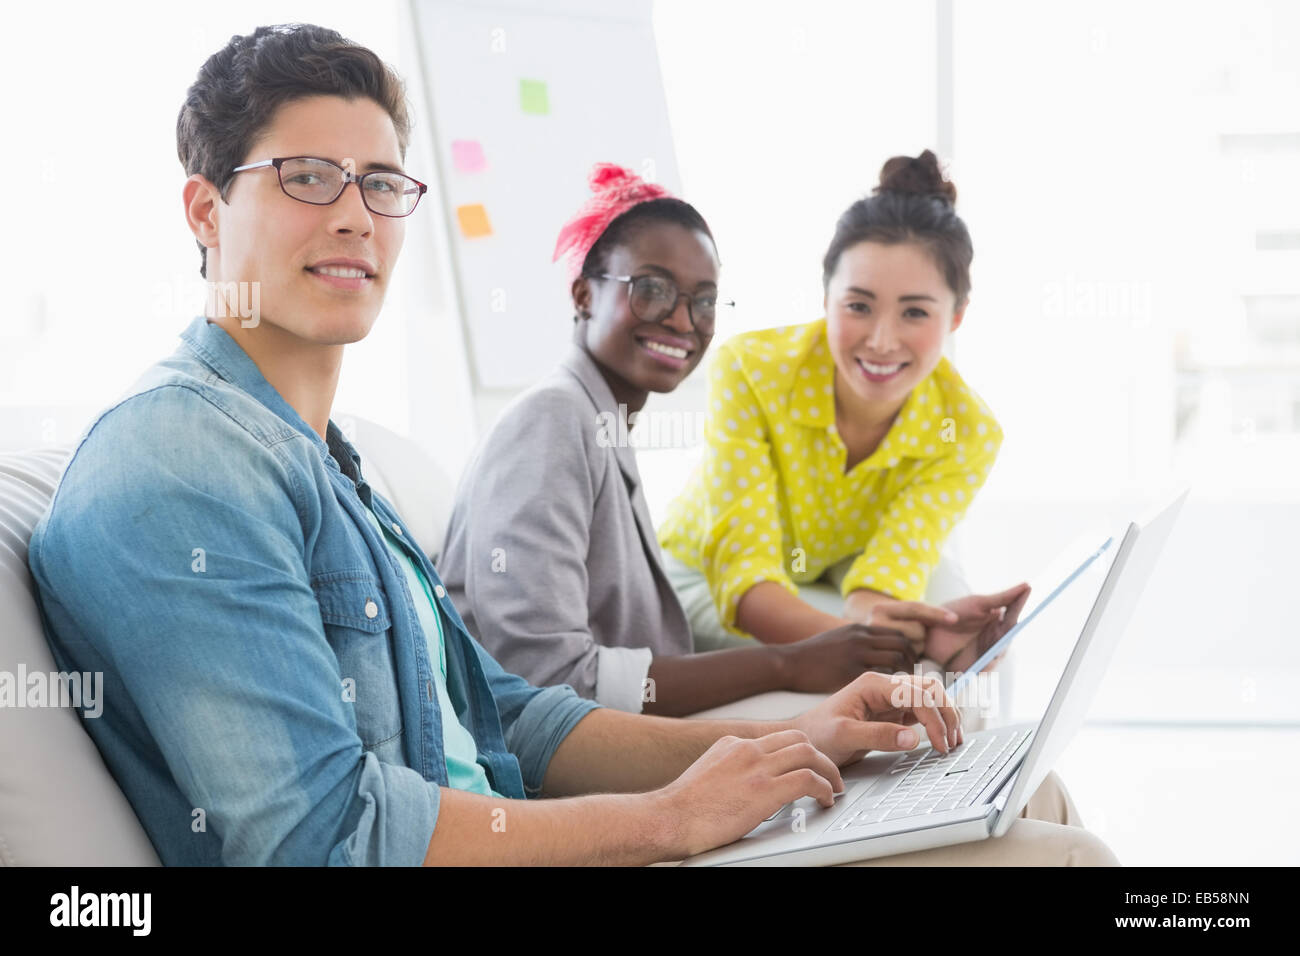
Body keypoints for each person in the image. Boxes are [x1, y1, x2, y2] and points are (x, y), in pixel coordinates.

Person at [26, 24, 1114, 866]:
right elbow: (323, 836)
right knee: (1062, 854)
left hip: (563, 829)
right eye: (307, 177)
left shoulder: (325, 456)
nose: (355, 215)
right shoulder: (176, 459)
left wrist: (802, 737)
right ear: (206, 210)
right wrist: (663, 820)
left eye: (382, 183)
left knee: (1022, 788)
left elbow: (506, 709)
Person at [440, 164, 928, 718]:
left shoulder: (599, 422)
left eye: (703, 300)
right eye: (651, 290)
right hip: (542, 776)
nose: (681, 319)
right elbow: (549, 681)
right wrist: (788, 663)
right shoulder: (551, 420)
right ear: (583, 295)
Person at [658, 151, 1030, 681]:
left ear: (957, 315)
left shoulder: (968, 431)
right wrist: (908, 646)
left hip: (842, 568)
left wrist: (906, 629)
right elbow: (746, 583)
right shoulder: (749, 370)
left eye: (915, 312)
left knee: (969, 634)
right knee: (913, 658)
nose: (882, 341)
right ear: (826, 297)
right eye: (858, 306)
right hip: (708, 575)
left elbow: (890, 573)